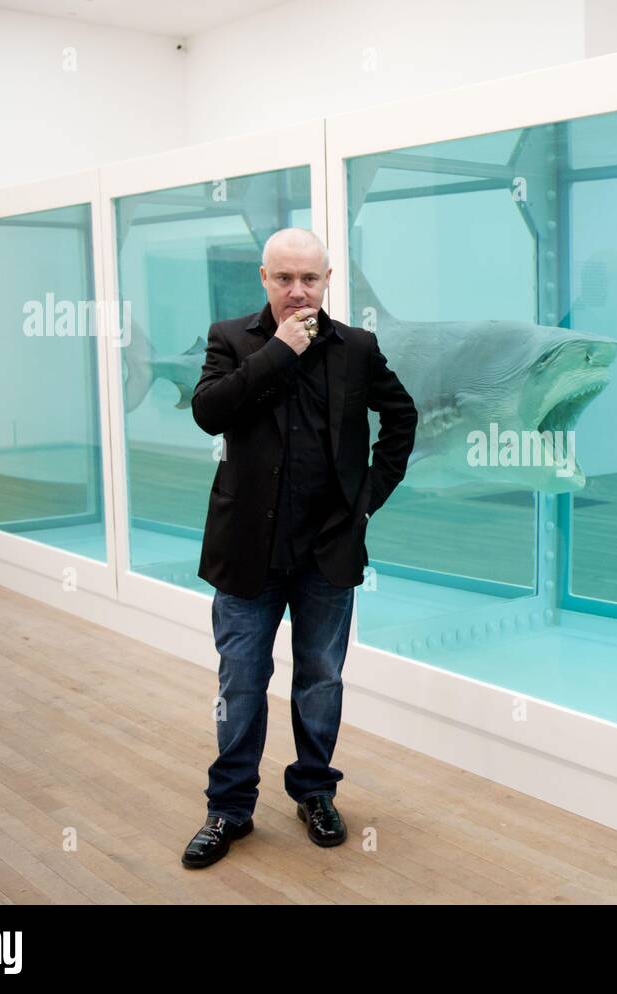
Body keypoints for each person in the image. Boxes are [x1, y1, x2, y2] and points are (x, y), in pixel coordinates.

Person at [181, 227, 416, 868]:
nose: (296, 291)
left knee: (320, 681)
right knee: (242, 680)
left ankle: (314, 791)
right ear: (264, 278)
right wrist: (279, 351)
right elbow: (209, 410)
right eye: (284, 279)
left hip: (326, 554)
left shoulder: (357, 348)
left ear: (327, 279)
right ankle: (228, 808)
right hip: (247, 552)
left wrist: (366, 502)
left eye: (308, 279)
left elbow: (403, 417)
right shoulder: (232, 339)